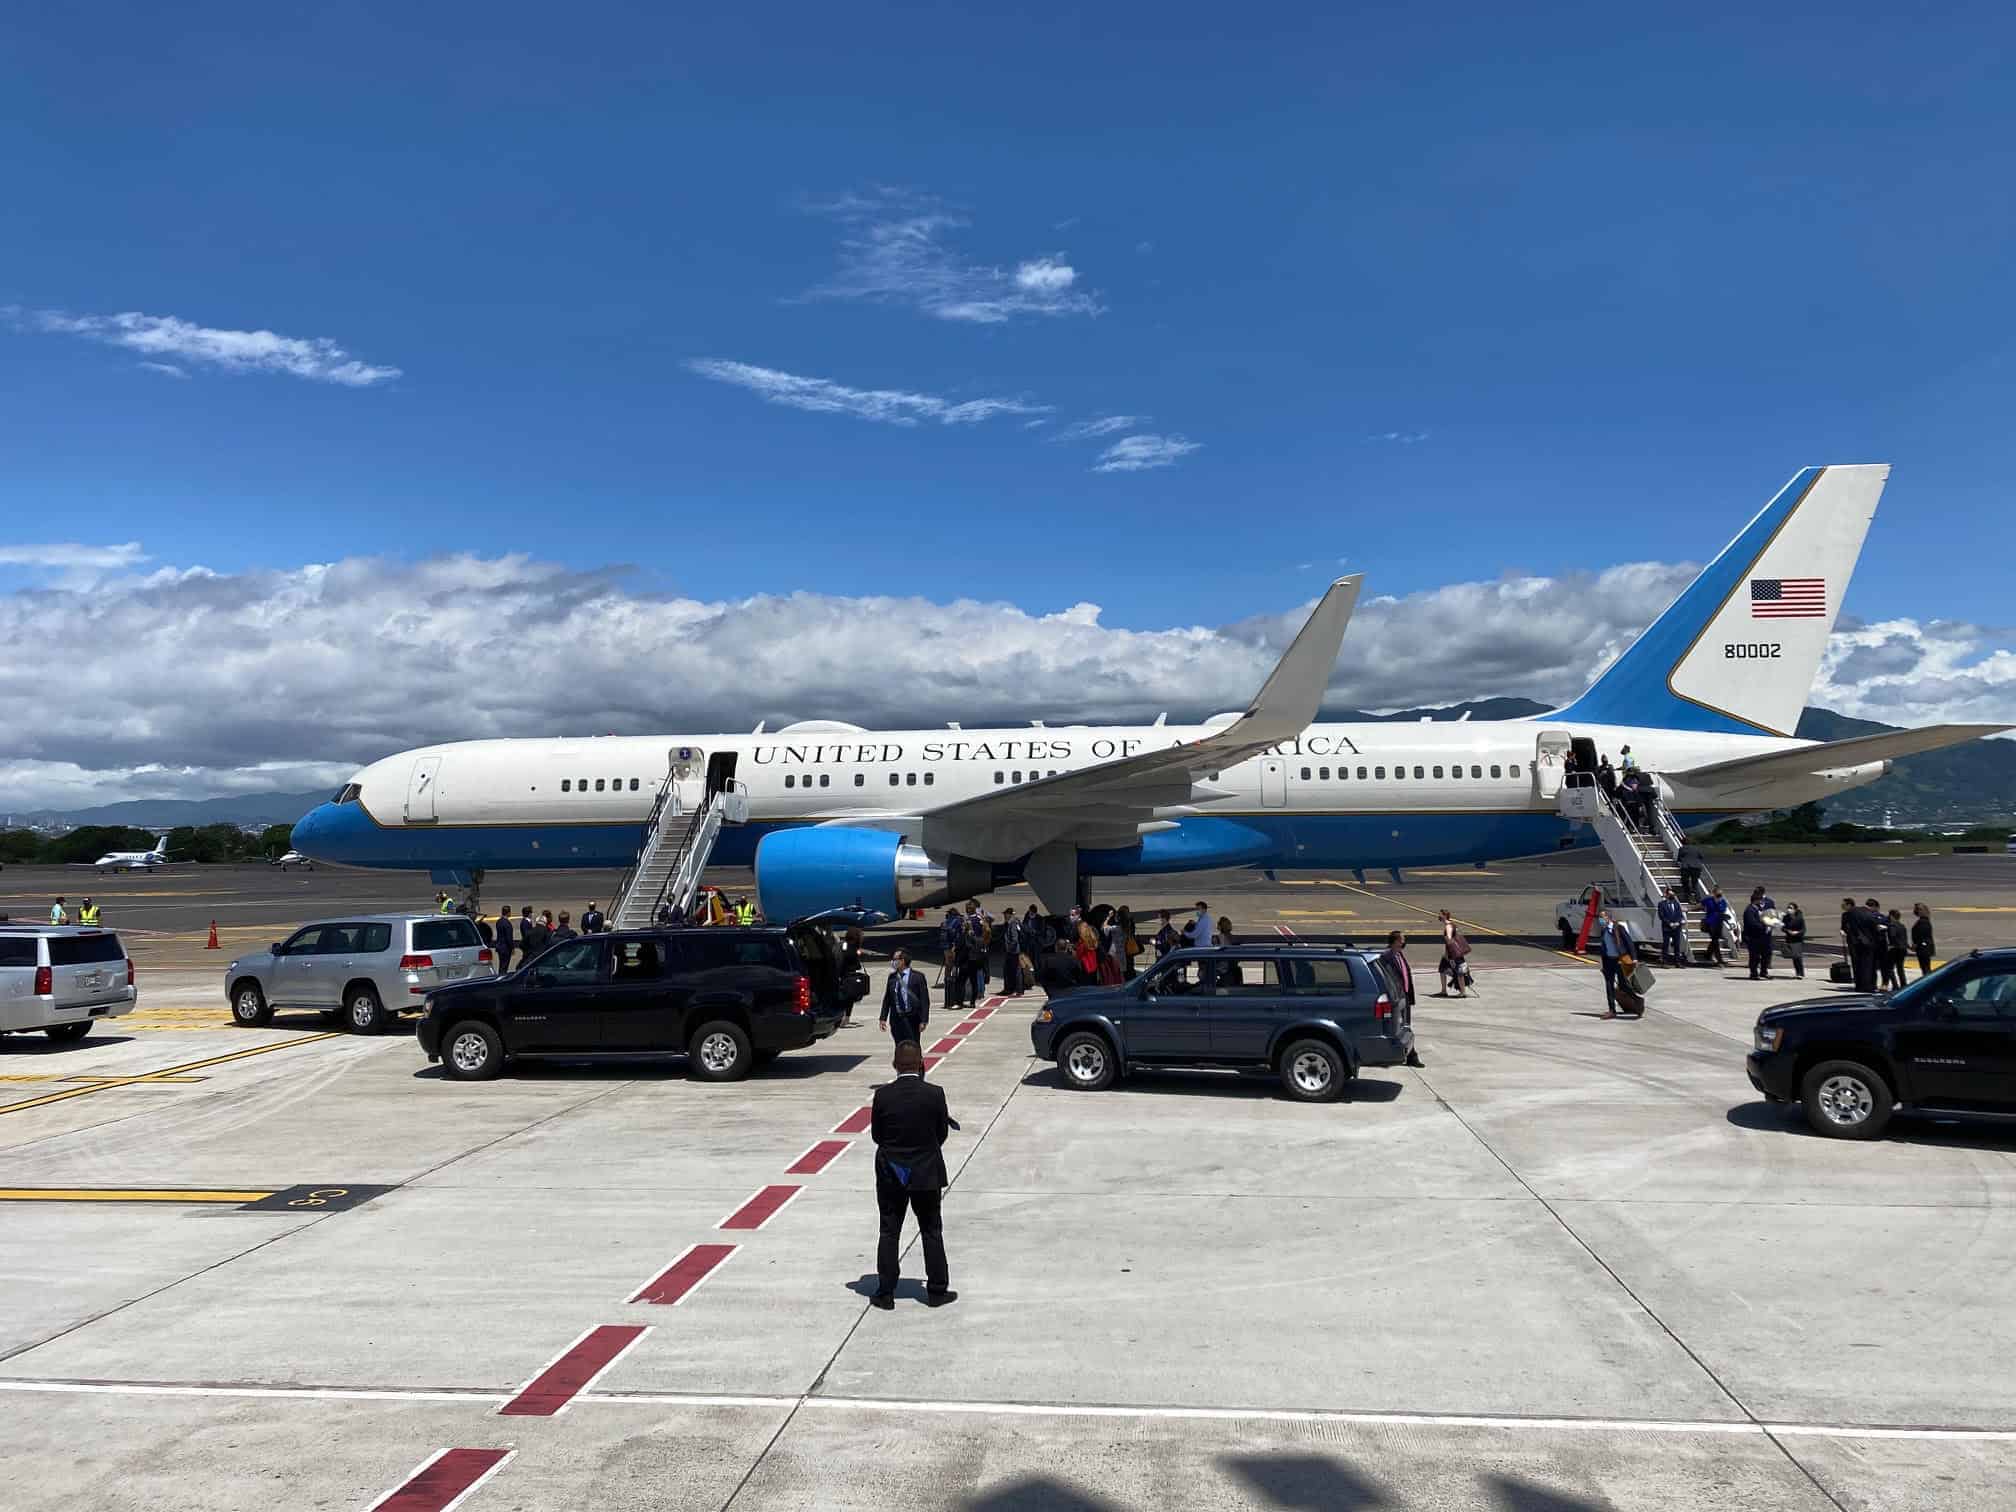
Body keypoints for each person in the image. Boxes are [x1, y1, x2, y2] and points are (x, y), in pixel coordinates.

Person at [869, 1040, 957, 1310]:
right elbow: (940, 1133)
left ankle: (885, 1293)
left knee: (889, 1230)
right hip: (925, 1171)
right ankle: (937, 1291)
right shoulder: (935, 1093)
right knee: (931, 1230)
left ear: (895, 1065)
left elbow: (877, 1136)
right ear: (921, 1064)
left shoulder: (883, 1095)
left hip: (892, 1172)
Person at [880, 950, 930, 1044]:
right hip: (896, 1018)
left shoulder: (917, 977)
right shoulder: (892, 977)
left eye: (895, 959)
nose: (893, 962)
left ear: (902, 961)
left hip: (912, 1018)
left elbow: (924, 1000)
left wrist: (924, 1020)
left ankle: (917, 1058)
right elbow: (887, 999)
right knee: (899, 1045)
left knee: (913, 1044)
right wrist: (883, 1018)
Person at [1596, 910, 1637, 1018]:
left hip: (1620, 960)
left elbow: (1629, 942)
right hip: (1608, 961)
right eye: (1599, 917)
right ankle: (1612, 1010)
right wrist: (1604, 966)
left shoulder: (1618, 928)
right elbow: (1604, 948)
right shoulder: (1603, 930)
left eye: (1601, 917)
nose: (1599, 920)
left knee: (1623, 985)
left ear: (1608, 918)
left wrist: (1634, 958)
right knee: (1609, 985)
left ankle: (1637, 1001)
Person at [1847, 898, 1884, 993]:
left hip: (1855, 942)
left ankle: (1858, 985)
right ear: (1874, 907)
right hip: (1868, 943)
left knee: (1857, 965)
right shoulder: (1870, 916)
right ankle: (1867, 986)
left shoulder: (1853, 911)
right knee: (1867, 966)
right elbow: (1875, 929)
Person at [1435, 909, 1475, 996]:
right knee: (1442, 969)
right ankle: (1444, 991)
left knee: (1459, 971)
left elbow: (1449, 939)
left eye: (1440, 914)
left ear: (1444, 916)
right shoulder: (1452, 924)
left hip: (1453, 954)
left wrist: (1447, 940)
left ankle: (1462, 992)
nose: (1438, 916)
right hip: (1449, 954)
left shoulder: (1448, 926)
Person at [1377, 930, 1415, 1013]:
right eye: (1402, 940)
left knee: (1405, 1022)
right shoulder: (1386, 957)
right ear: (1396, 941)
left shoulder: (1399, 954)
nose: (1403, 942)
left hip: (1404, 994)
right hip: (1395, 996)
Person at [1742, 888, 1772, 980]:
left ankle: (1764, 972)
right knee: (1754, 956)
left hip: (1763, 937)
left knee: (1766, 954)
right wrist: (1764, 926)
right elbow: (1752, 924)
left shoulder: (1758, 909)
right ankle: (1753, 973)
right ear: (1756, 900)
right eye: (1760, 900)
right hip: (1754, 937)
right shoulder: (1749, 910)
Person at [1656, 888, 1688, 967]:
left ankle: (1677, 962)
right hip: (1667, 927)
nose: (1672, 896)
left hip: (1676, 927)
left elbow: (1680, 914)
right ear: (1666, 895)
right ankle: (1664, 962)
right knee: (1666, 945)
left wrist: (1677, 922)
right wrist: (1670, 923)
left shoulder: (1676, 903)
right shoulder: (1661, 904)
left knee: (1677, 945)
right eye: (1670, 894)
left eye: (1673, 894)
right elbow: (1661, 916)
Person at [840, 927, 864, 1024]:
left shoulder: (844, 945)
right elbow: (857, 965)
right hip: (850, 975)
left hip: (842, 974)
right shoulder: (853, 948)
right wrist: (858, 955)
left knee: (844, 997)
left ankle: (843, 1016)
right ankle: (846, 1017)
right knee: (849, 998)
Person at [1699, 889, 1730, 966]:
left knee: (1715, 940)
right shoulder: (1708, 900)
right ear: (1714, 894)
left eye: (1720, 895)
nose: (1719, 896)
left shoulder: (1722, 901)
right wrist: (1688, 909)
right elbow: (1700, 905)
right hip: (1710, 923)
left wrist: (1718, 902)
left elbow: (1722, 910)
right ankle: (1719, 959)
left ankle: (1708, 954)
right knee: (1715, 941)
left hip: (1719, 922)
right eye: (1718, 895)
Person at [999, 908, 1023, 997]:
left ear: (1009, 915)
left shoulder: (1013, 924)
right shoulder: (1012, 923)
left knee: (1013, 971)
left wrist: (1009, 949)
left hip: (1013, 951)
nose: (1004, 916)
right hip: (1013, 951)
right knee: (1012, 971)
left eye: (1005, 914)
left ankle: (1014, 989)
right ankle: (1011, 989)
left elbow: (1014, 939)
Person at [1780, 902, 1806, 980]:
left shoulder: (1799, 918)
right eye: (1788, 907)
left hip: (1798, 939)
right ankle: (1797, 972)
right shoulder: (1786, 917)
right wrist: (1788, 931)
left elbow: (1803, 929)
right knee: (1794, 957)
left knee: (1798, 956)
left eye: (1791, 908)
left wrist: (1797, 933)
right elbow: (1783, 927)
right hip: (1789, 939)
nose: (1789, 909)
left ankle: (1801, 973)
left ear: (1795, 909)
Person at [1884, 909, 1909, 989]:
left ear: (1891, 916)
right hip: (1903, 948)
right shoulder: (1902, 926)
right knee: (1900, 968)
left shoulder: (1892, 926)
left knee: (1889, 968)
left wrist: (1891, 944)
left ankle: (1895, 985)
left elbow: (1892, 935)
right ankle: (1903, 984)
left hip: (1895, 948)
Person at [1116, 905, 1140, 980]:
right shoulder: (1130, 921)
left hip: (1123, 949)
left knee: (1124, 969)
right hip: (1129, 949)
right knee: (1130, 966)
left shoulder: (1120, 923)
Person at [1911, 903, 1935, 979]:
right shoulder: (1924, 920)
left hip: (1923, 948)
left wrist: (1916, 944)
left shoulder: (1922, 922)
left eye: (1918, 909)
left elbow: (1922, 935)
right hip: (1925, 947)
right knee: (1925, 968)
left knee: (1925, 968)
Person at [494, 905, 515, 974]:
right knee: (504, 966)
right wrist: (512, 948)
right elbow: (509, 938)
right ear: (508, 913)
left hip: (499, 947)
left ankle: (500, 976)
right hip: (506, 948)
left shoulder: (499, 921)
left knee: (501, 965)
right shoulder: (507, 923)